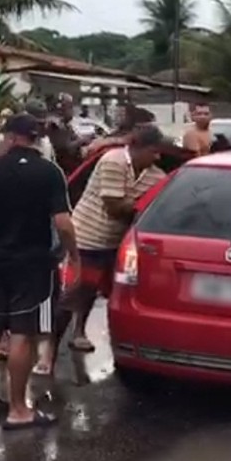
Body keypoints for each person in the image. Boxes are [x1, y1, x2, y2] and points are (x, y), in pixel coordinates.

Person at [0, 114, 79, 430]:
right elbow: (63, 222)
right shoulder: (50, 173)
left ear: (10, 137)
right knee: (23, 333)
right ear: (35, 139)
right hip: (33, 264)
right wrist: (72, 254)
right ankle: (19, 409)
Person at [38, 126, 168, 370]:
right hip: (87, 238)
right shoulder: (113, 161)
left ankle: (79, 332)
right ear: (138, 148)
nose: (157, 157)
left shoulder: (155, 175)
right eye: (153, 151)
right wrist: (143, 203)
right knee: (72, 295)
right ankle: (49, 354)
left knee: (94, 293)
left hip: (117, 243)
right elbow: (114, 206)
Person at [47, 93, 91, 174]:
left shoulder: (66, 125)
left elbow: (74, 138)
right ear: (61, 109)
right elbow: (66, 148)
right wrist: (81, 141)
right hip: (63, 170)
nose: (72, 111)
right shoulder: (55, 125)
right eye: (70, 107)